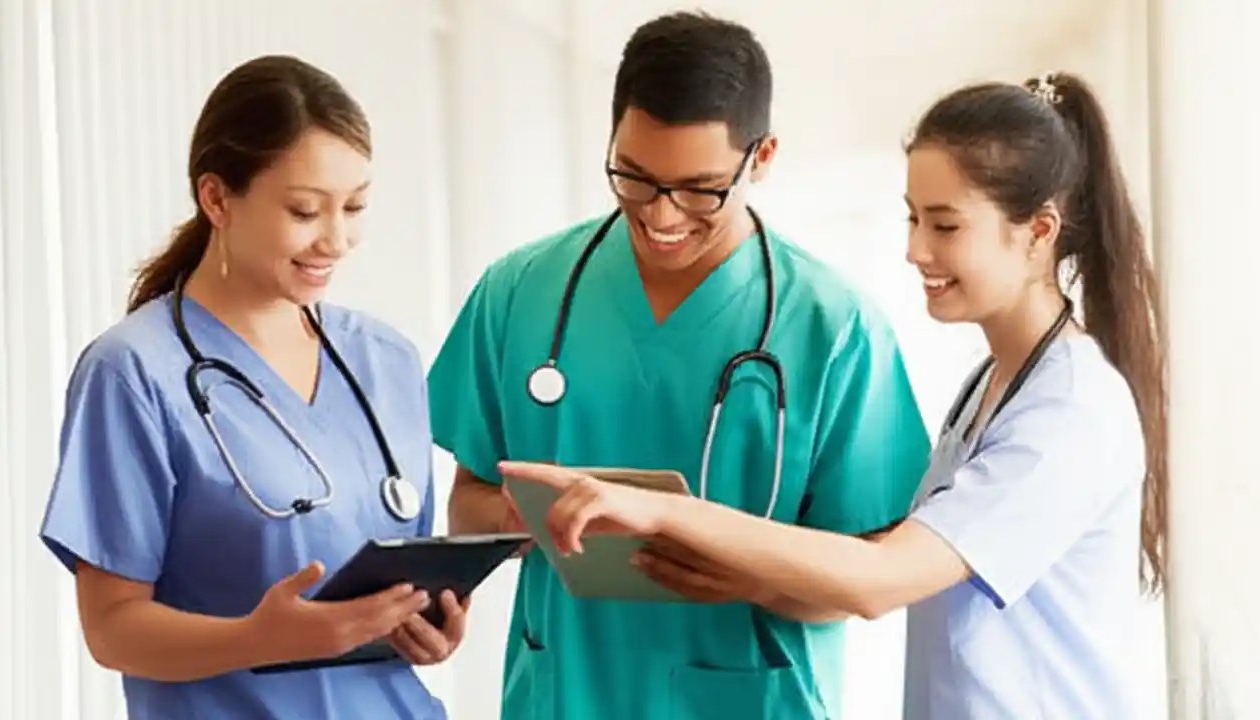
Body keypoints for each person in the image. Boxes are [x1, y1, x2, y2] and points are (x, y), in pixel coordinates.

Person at [499, 71, 1168, 720]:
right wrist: (756, 581)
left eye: (944, 226)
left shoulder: (1070, 412)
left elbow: (880, 578)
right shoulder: (993, 386)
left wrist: (662, 511)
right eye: (912, 218)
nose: (915, 250)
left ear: (1039, 231)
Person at [428, 11, 930, 720]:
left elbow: (869, 572)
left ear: (762, 157)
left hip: (748, 699)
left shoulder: (836, 327)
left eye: (701, 189)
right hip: (565, 693)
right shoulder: (520, 291)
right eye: (634, 178)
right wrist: (542, 516)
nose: (662, 217)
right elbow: (467, 504)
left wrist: (752, 576)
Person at [38, 55, 462, 719]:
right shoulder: (134, 373)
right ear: (216, 200)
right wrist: (260, 639)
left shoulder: (387, 361)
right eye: (304, 210)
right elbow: (112, 628)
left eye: (354, 207)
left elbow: (396, 571)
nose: (337, 239)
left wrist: (422, 624)